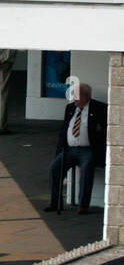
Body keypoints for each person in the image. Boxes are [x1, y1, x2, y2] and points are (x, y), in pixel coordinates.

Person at [45, 82, 107, 215]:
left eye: (78, 96)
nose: (75, 99)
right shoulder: (70, 108)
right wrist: (59, 152)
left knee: (86, 169)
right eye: (74, 96)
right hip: (69, 150)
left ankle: (83, 205)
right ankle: (55, 202)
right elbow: (63, 131)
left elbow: (106, 131)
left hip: (88, 150)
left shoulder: (99, 108)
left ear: (87, 96)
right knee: (54, 168)